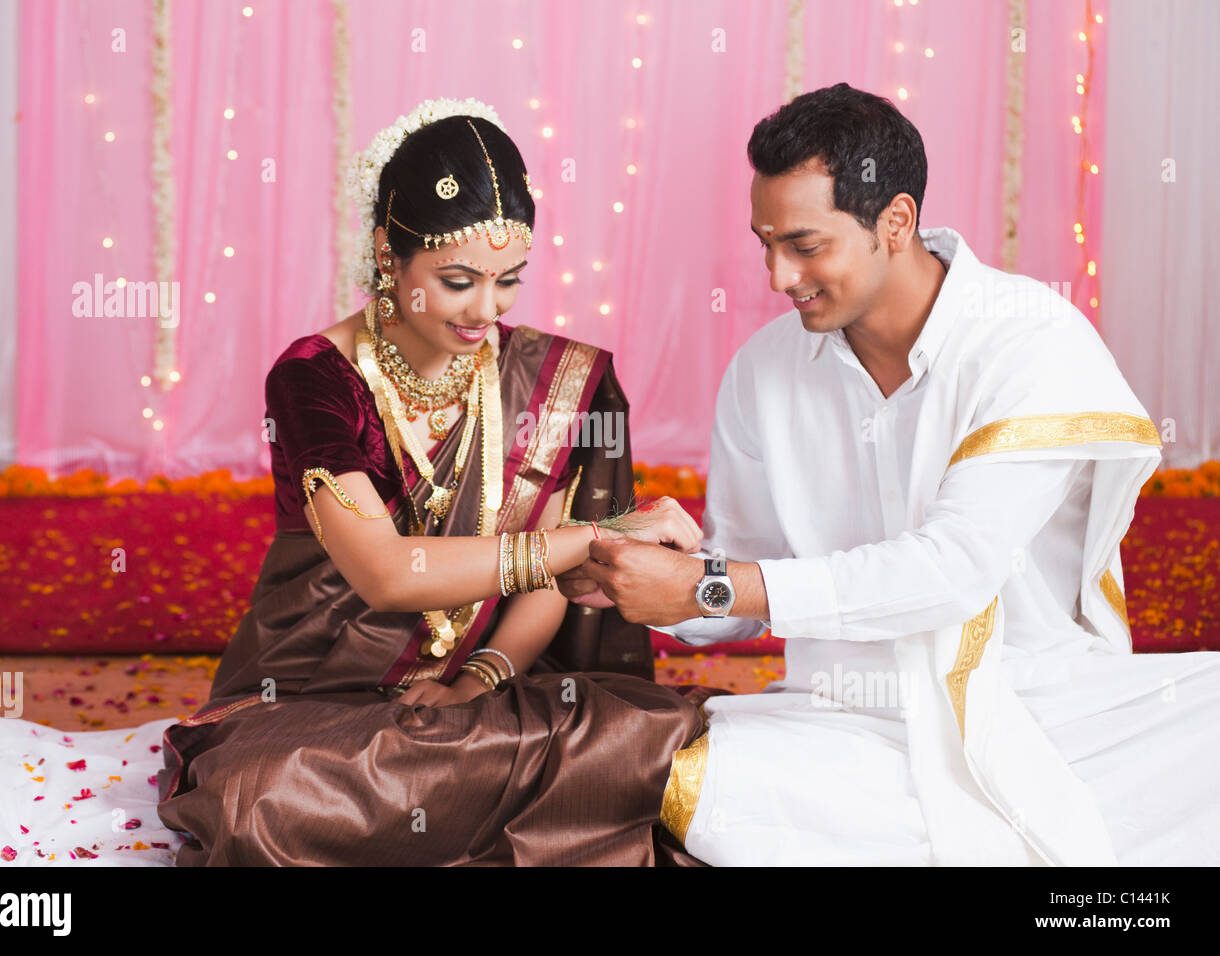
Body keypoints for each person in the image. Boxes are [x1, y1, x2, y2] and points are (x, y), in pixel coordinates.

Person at [560, 83, 1220, 866]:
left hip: (1045, 709)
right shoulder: (762, 372)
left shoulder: (1030, 341)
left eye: (805, 245)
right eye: (764, 242)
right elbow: (738, 594)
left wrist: (715, 585)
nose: (777, 275)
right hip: (838, 726)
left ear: (896, 223)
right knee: (699, 781)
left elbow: (952, 572)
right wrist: (637, 578)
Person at [156, 99, 718, 865]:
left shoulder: (552, 383)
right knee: (262, 796)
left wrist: (480, 680)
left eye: (508, 281)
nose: (486, 310)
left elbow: (545, 588)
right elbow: (386, 576)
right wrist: (591, 538)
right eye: (457, 281)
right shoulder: (317, 379)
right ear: (389, 254)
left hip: (477, 701)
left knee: (651, 736)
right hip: (316, 702)